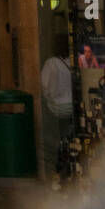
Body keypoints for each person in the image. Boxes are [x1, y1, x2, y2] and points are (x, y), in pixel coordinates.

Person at [41, 38, 74, 179]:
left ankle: (57, 166)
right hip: (71, 107)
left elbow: (44, 84)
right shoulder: (72, 62)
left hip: (55, 108)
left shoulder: (51, 63)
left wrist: (48, 97)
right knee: (68, 135)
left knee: (54, 138)